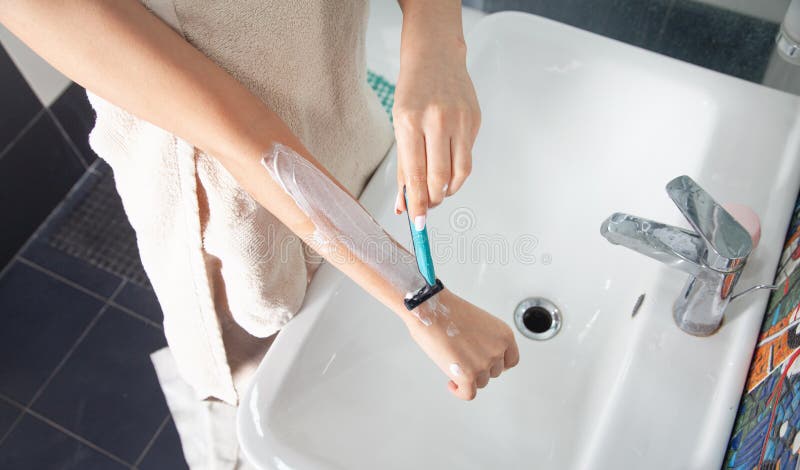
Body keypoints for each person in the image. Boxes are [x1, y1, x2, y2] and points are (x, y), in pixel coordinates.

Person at [0, 0, 518, 409]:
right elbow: (250, 141)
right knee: (279, 402)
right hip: (241, 230)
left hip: (350, 135)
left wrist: (436, 48)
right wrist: (425, 303)